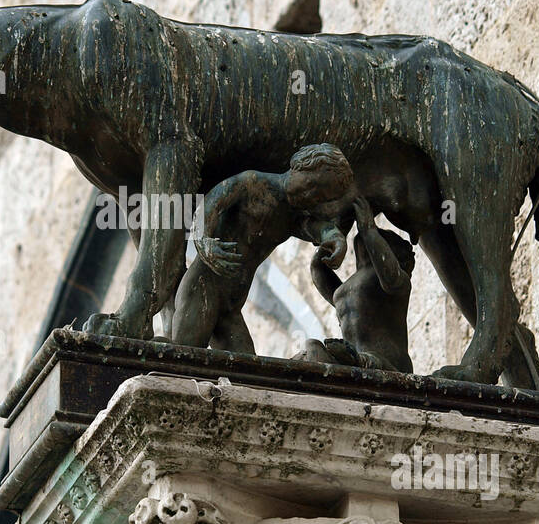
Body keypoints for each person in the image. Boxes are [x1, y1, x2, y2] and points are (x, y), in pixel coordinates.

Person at [171, 144, 358, 353]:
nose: (310, 196)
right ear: (300, 166)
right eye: (312, 185)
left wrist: (336, 239)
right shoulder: (252, 183)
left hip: (232, 305)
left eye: (319, 197)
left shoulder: (292, 216)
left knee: (246, 372)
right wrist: (204, 241)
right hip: (203, 289)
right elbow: (211, 205)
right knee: (182, 356)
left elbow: (317, 228)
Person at [308, 196, 414, 373]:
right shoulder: (350, 287)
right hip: (352, 360)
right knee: (312, 347)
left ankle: (357, 360)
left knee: (367, 359)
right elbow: (323, 277)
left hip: (389, 364)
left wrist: (369, 230)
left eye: (385, 237)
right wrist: (329, 243)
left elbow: (388, 275)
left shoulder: (397, 282)